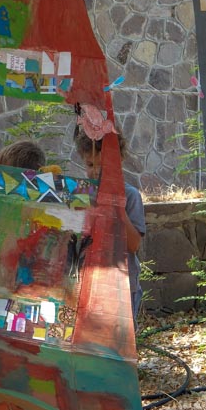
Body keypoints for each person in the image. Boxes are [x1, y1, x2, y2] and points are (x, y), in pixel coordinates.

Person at [74, 127, 145, 324]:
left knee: (120, 337)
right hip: (87, 282)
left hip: (122, 285)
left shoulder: (130, 195)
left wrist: (116, 205)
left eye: (102, 165)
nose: (96, 171)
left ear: (117, 162)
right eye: (90, 164)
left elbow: (134, 245)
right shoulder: (81, 194)